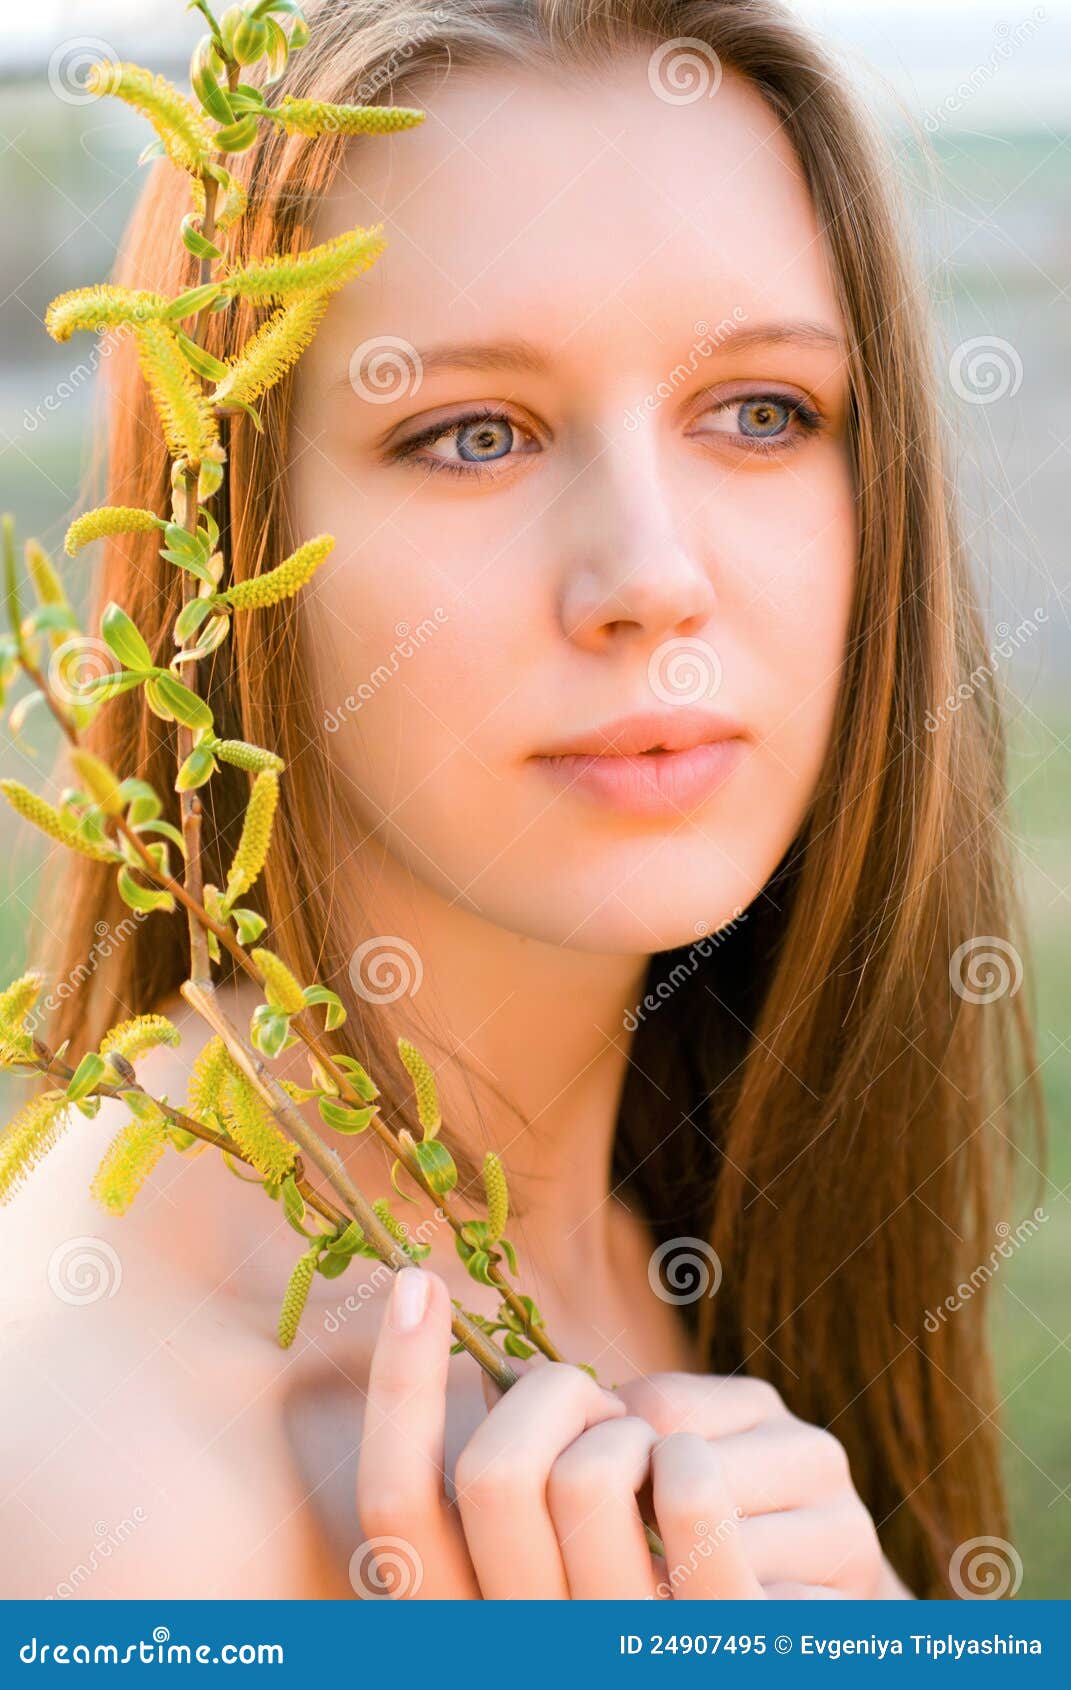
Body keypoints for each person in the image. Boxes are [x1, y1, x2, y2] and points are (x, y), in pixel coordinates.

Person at [2, 0, 1042, 1599]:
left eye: (761, 411)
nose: (650, 576)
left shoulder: (699, 1167)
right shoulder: (112, 1482)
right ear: (230, 546)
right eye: (470, 432)